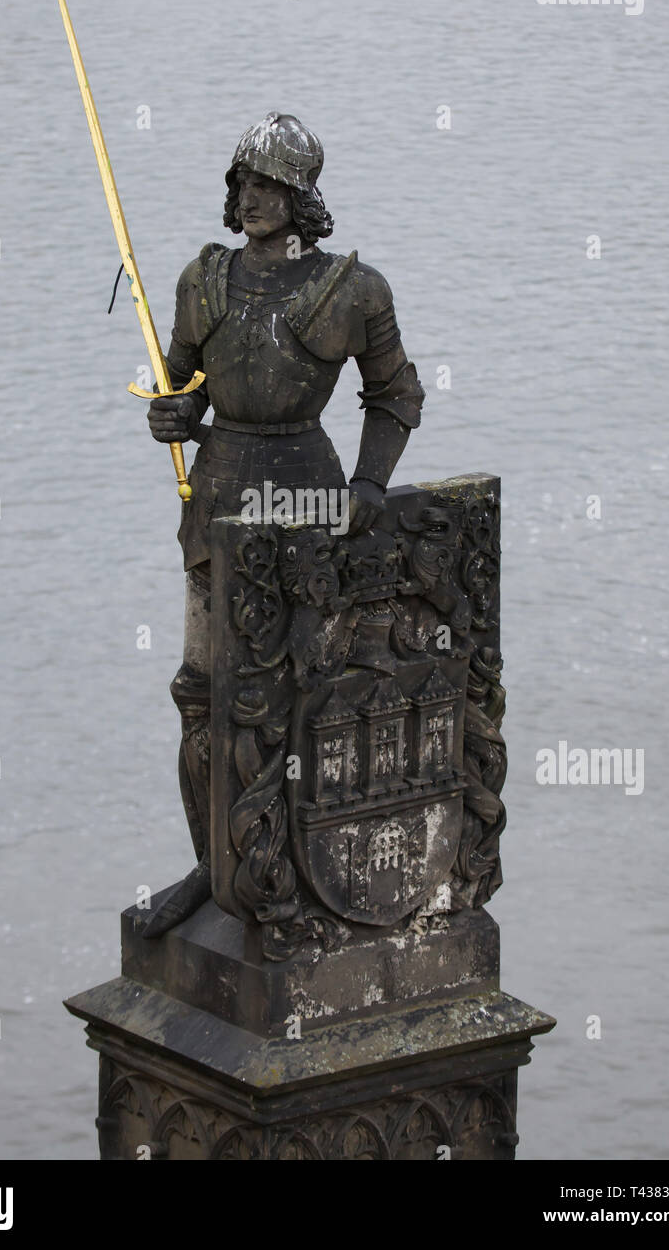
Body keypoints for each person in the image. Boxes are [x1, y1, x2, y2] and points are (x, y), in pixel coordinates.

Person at [143, 112, 424, 936]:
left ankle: (298, 866)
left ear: (304, 199)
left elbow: (395, 395)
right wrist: (173, 413)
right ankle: (215, 867)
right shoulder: (203, 279)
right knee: (203, 695)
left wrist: (371, 483)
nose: (253, 198)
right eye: (244, 183)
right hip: (218, 491)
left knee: (302, 693)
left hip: (307, 490)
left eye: (272, 186)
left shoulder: (353, 290)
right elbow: (182, 385)